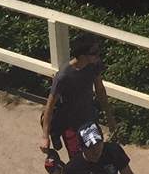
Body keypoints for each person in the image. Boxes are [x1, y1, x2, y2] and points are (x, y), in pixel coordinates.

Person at [40, 34, 108, 162]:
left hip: (89, 119)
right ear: (82, 55)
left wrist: (110, 117)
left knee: (97, 153)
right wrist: (45, 137)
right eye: (94, 53)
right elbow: (49, 106)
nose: (98, 56)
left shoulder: (94, 65)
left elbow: (100, 90)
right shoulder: (63, 76)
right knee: (78, 160)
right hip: (70, 125)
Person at [59, 123, 142, 174]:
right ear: (81, 148)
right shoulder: (72, 168)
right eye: (90, 147)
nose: (95, 151)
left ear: (103, 140)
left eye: (98, 144)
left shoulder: (113, 152)